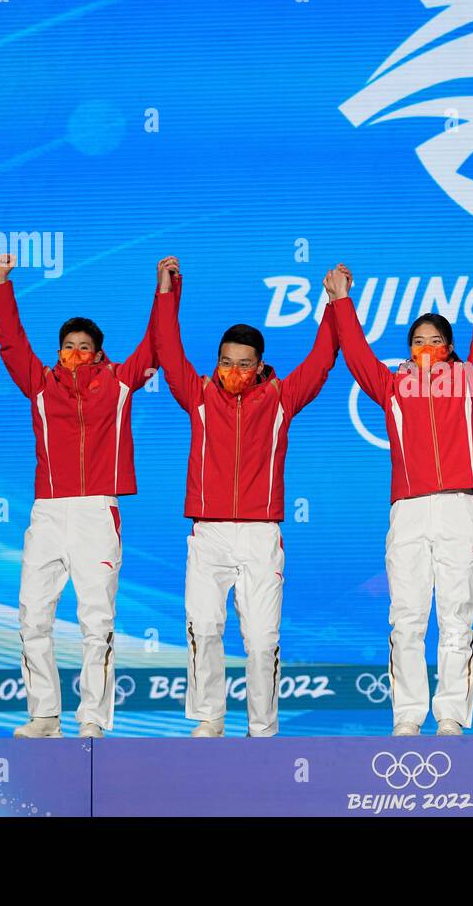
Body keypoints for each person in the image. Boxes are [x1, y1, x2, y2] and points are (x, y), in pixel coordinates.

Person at [151, 256, 341, 738]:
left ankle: (262, 728)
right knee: (205, 628)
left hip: (260, 535)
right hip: (209, 533)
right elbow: (168, 350)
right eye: (226, 363)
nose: (233, 372)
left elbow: (321, 360)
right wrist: (169, 292)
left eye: (244, 365)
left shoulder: (280, 397)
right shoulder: (197, 395)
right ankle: (210, 718)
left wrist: (336, 303)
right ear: (217, 362)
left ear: (259, 367)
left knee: (260, 641)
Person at [0, 252, 167, 739]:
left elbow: (155, 349)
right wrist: (2, 284)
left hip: (96, 512)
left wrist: (166, 290)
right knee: (32, 616)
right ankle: (44, 715)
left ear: (100, 351)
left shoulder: (119, 384)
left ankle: (92, 718)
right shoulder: (41, 385)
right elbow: (11, 344)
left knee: (96, 622)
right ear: (59, 350)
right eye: (69, 346)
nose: (77, 353)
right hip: (47, 513)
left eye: (86, 346)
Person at [328, 252, 473, 736]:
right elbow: (358, 354)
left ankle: (450, 716)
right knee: (406, 617)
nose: (427, 347)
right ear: (407, 349)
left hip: (458, 508)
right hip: (408, 510)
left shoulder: (468, 382)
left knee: (455, 616)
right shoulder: (392, 384)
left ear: (449, 348)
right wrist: (342, 301)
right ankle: (407, 716)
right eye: (418, 341)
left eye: (436, 340)